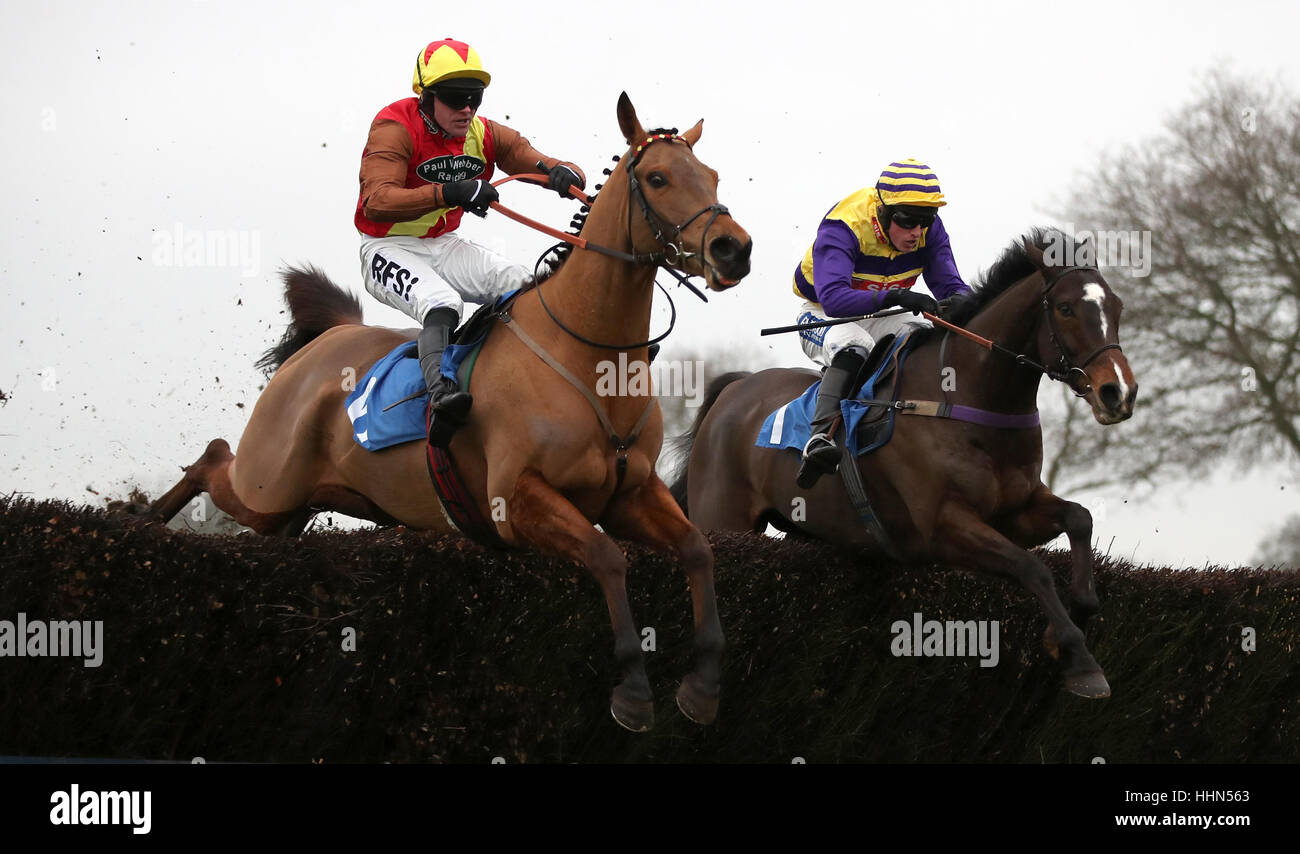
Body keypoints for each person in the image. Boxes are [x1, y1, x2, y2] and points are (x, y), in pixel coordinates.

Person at [354, 38, 586, 447]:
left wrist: (563, 172)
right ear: (425, 98)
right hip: (387, 248)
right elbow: (376, 201)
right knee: (443, 302)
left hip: (444, 244)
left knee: (526, 284)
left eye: (474, 97)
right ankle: (440, 395)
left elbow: (531, 157)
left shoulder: (483, 132)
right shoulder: (394, 127)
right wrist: (448, 192)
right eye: (455, 97)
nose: (467, 109)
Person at [792, 158, 971, 488]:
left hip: (880, 312)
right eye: (907, 222)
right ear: (884, 211)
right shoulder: (844, 225)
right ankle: (819, 439)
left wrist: (967, 303)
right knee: (854, 345)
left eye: (925, 221)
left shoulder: (929, 231)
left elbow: (950, 286)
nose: (917, 232)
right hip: (823, 313)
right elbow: (833, 300)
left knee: (926, 338)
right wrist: (895, 297)